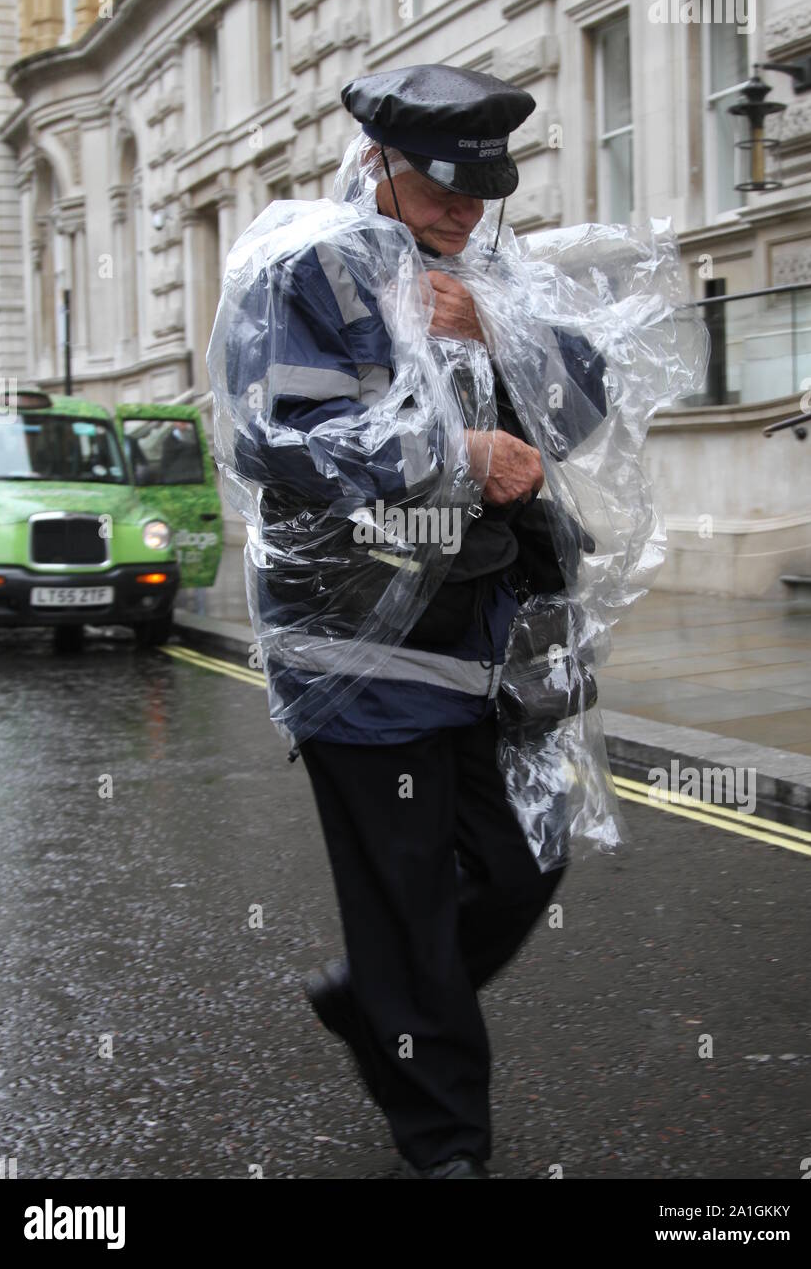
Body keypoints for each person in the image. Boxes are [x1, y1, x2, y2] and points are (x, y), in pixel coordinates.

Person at [210, 64, 610, 1179]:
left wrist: (494, 326)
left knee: (521, 867)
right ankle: (445, 1146)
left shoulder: (491, 267)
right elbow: (270, 440)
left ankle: (379, 990)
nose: (464, 211)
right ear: (380, 161)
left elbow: (581, 406)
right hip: (355, 638)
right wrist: (453, 453)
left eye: (483, 190)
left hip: (487, 636)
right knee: (402, 896)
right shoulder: (304, 266)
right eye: (443, 187)